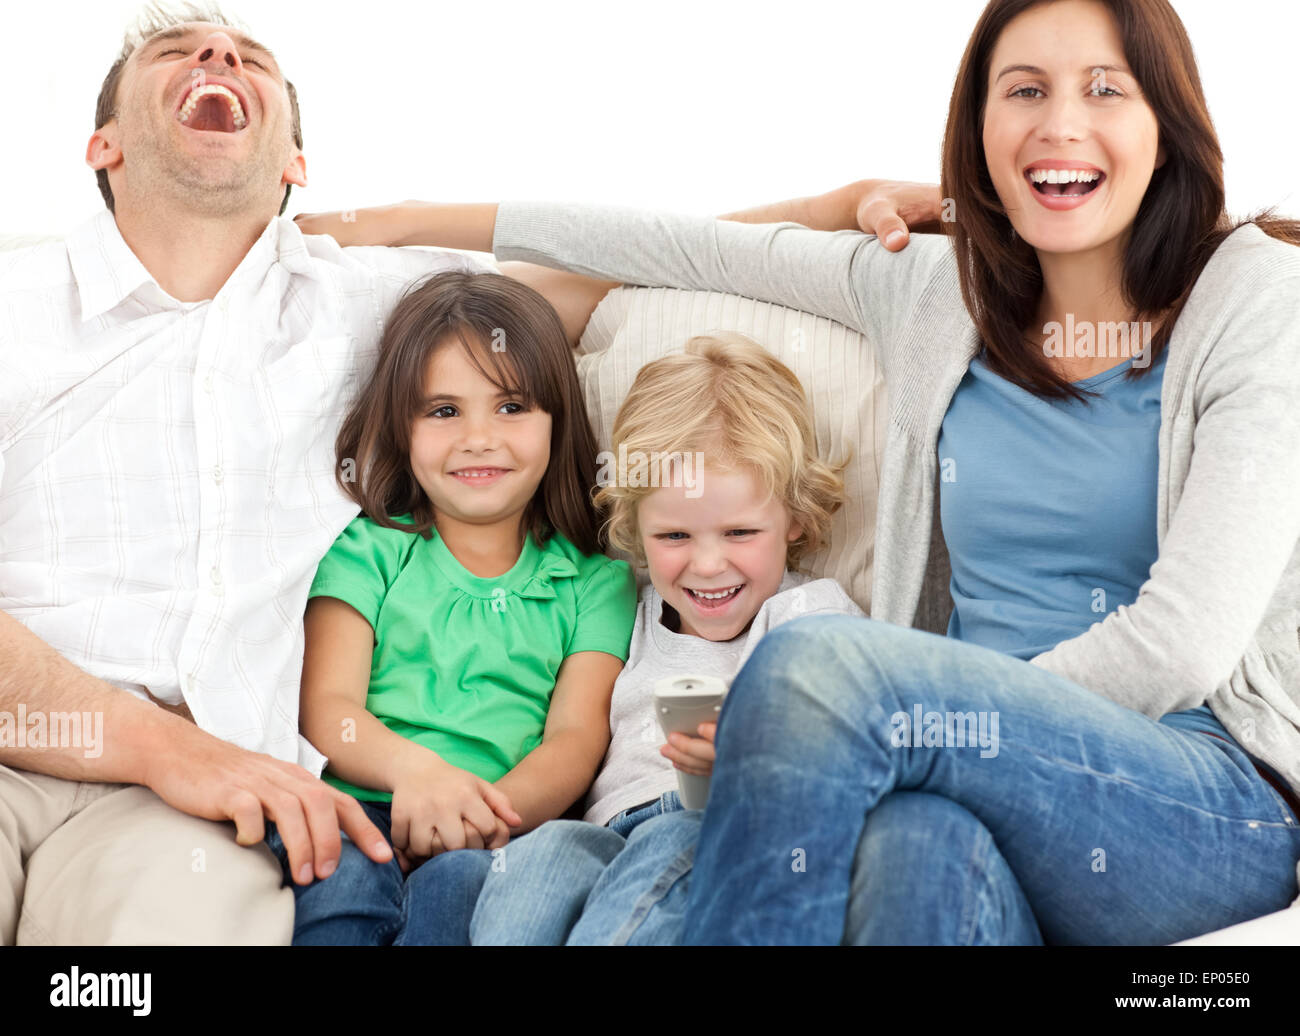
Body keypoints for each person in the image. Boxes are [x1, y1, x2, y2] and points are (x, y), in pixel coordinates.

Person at [290, 0, 1300, 945]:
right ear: (978, 128)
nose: (1059, 123)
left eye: (1105, 89)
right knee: (915, 848)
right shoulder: (933, 298)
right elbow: (683, 247)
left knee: (814, 673)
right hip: (954, 793)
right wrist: (407, 219)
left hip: (1197, 791)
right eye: (1024, 89)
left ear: (1166, 120)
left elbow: (1181, 643)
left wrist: (895, 721)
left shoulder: (1253, 296)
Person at [462, 333, 865, 943]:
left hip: (722, 823)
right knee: (539, 857)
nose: (706, 566)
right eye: (674, 537)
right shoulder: (624, 607)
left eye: (738, 533)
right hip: (602, 832)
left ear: (796, 520)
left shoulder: (807, 611)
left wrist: (756, 743)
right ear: (634, 527)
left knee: (673, 842)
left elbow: (844, 735)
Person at [274, 270, 637, 944]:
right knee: (337, 882)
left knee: (464, 892)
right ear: (402, 427)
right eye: (444, 411)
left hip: (496, 828)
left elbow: (575, 740)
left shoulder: (595, 582)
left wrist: (477, 816)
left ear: (558, 421)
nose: (478, 437)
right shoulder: (368, 549)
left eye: (511, 407)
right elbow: (328, 708)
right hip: (361, 806)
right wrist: (421, 777)